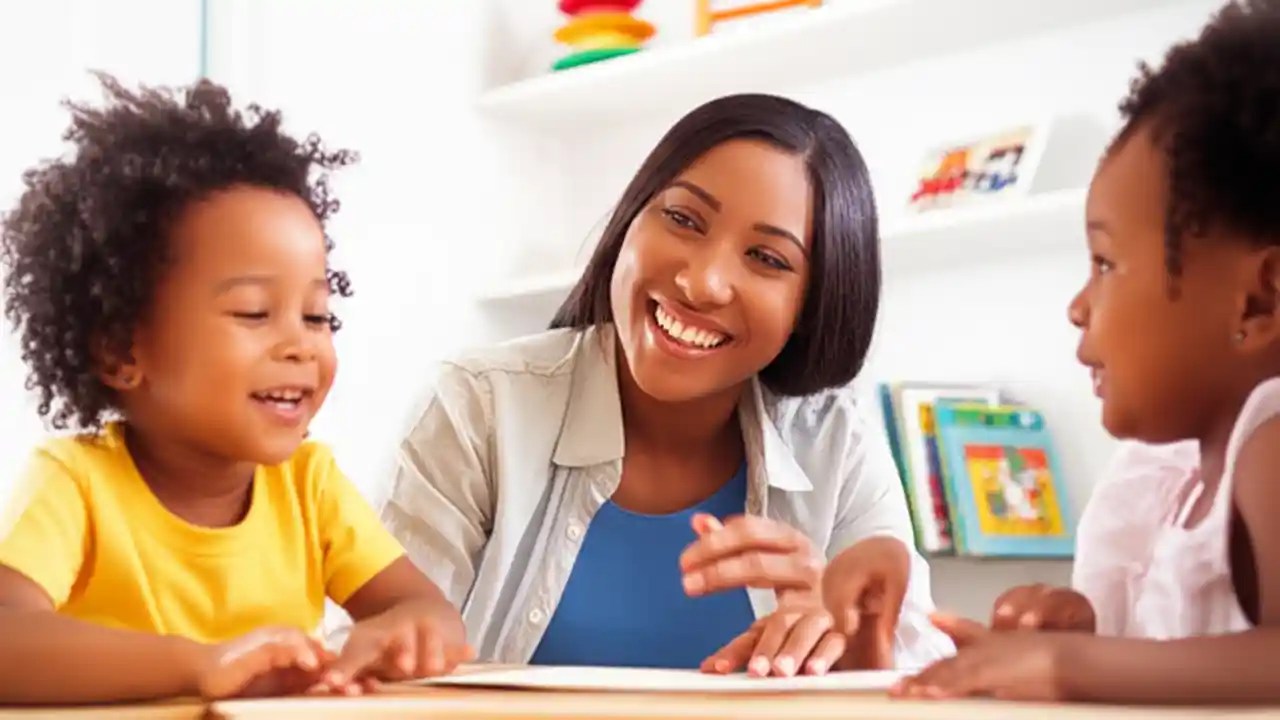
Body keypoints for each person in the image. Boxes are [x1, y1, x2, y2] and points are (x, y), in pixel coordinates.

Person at [367, 92, 953, 676]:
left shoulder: (839, 445)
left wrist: (858, 647)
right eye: (683, 219)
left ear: (814, 303)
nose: (702, 283)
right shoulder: (478, 407)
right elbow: (374, 665)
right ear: (630, 220)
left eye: (767, 258)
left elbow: (916, 681)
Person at [0, 74, 470, 705]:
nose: (301, 345)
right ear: (121, 352)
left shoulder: (309, 485)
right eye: (253, 312)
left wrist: (406, 633)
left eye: (317, 316)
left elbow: (426, 609)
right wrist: (201, 666)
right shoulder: (76, 483)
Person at [892, 0, 1280, 703]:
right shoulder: (1174, 480)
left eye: (1105, 263)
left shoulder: (1271, 441)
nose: (1078, 305)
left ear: (1258, 302)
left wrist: (1071, 666)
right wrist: (1091, 634)